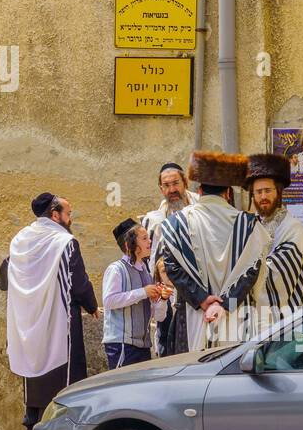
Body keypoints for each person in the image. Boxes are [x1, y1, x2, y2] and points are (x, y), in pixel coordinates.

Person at [0, 192, 100, 430]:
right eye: (68, 213)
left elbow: (5, 274)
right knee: (66, 375)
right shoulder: (64, 242)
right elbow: (77, 280)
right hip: (58, 321)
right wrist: (91, 305)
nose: (70, 218)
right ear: (55, 215)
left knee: (33, 372)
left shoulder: (20, 240)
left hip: (26, 321)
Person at [155, 151, 270, 349]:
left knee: (194, 373)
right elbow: (252, 272)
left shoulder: (176, 224)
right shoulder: (249, 224)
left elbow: (172, 267)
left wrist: (202, 300)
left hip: (193, 318)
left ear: (199, 191)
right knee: (232, 372)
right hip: (237, 317)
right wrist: (224, 304)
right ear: (227, 193)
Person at [244, 153, 303, 335]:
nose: (263, 197)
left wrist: (241, 278)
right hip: (256, 323)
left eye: (268, 190)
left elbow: (278, 275)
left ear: (279, 192)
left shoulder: (293, 228)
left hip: (288, 320)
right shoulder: (251, 226)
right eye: (258, 192)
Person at [140, 162, 197, 357]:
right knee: (167, 350)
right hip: (167, 296)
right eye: (167, 185)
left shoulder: (201, 211)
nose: (172, 190)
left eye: (176, 183)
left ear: (185, 182)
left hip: (196, 296)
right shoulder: (154, 220)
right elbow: (148, 259)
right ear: (161, 189)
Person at [103, 219, 170, 368]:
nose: (150, 241)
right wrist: (143, 292)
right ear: (129, 244)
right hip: (122, 345)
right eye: (144, 238)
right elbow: (109, 301)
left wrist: (162, 300)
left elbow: (158, 316)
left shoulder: (146, 273)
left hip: (144, 347)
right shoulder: (116, 269)